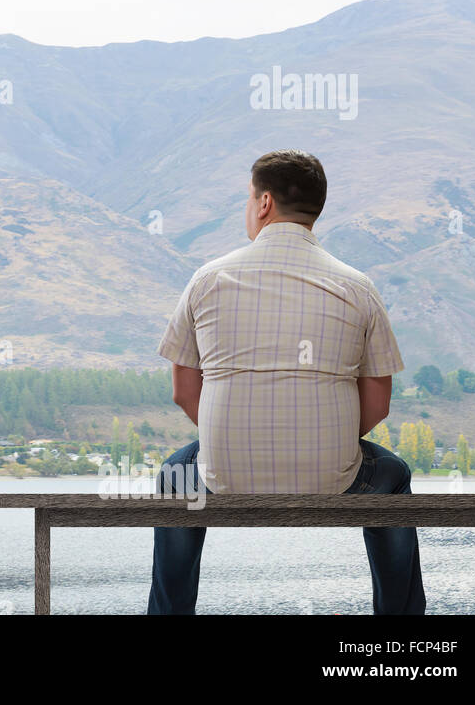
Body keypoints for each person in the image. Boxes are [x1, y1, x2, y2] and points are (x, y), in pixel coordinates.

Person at [148, 149, 424, 614]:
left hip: (224, 473)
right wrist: (325, 441)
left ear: (264, 203)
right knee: (393, 476)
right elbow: (378, 404)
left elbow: (182, 389)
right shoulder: (357, 286)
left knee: (176, 477)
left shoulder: (207, 278)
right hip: (336, 475)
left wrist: (229, 436)